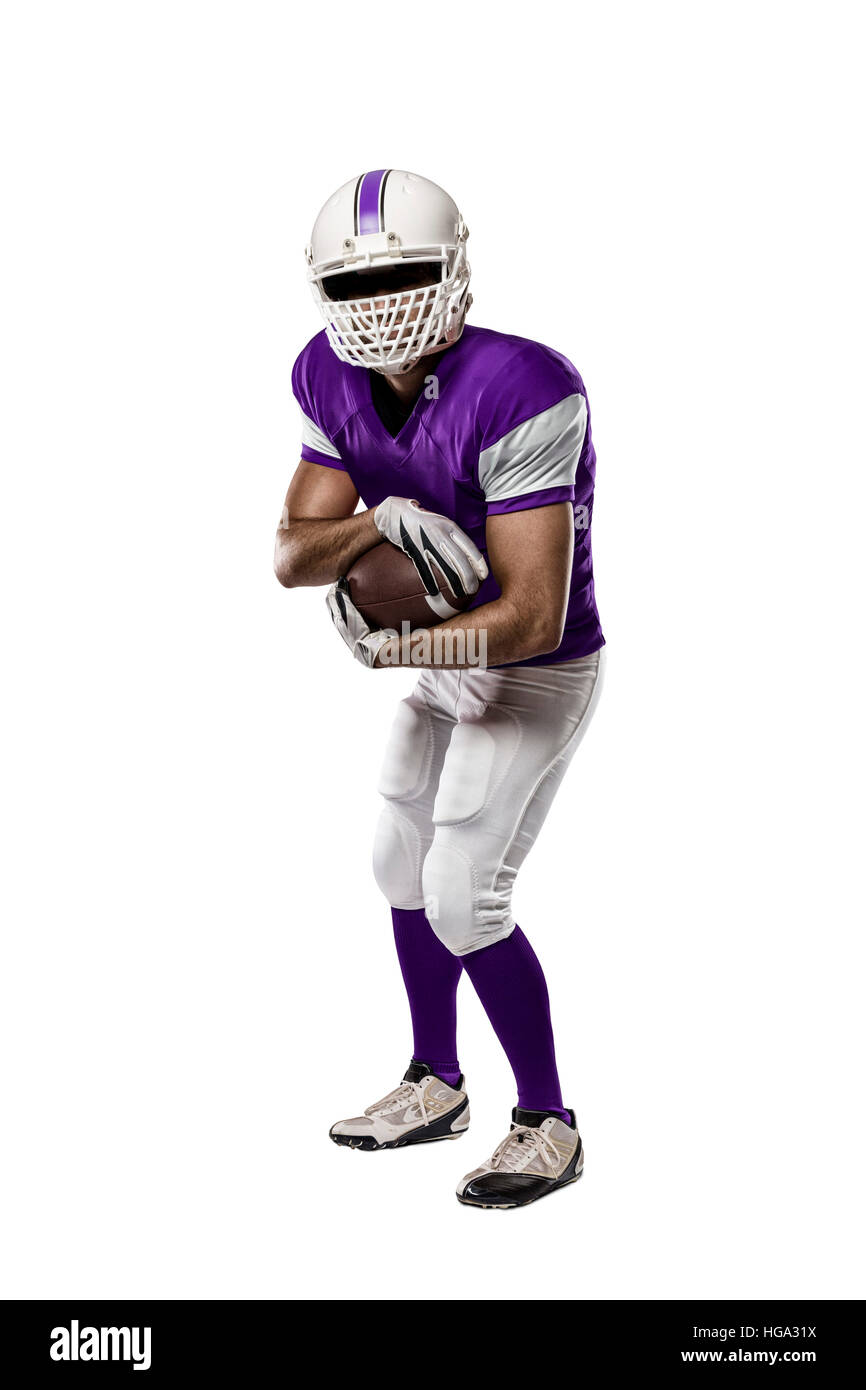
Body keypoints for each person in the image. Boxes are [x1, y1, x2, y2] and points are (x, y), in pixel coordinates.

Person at [275, 169, 605, 1208]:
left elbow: (532, 611)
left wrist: (394, 646)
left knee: (468, 894)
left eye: (409, 273)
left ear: (457, 265)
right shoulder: (322, 372)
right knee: (396, 860)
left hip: (536, 671)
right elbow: (292, 553)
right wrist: (376, 525)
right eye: (353, 284)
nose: (380, 304)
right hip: (441, 659)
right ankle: (435, 1080)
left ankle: (547, 1120)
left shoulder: (524, 383)